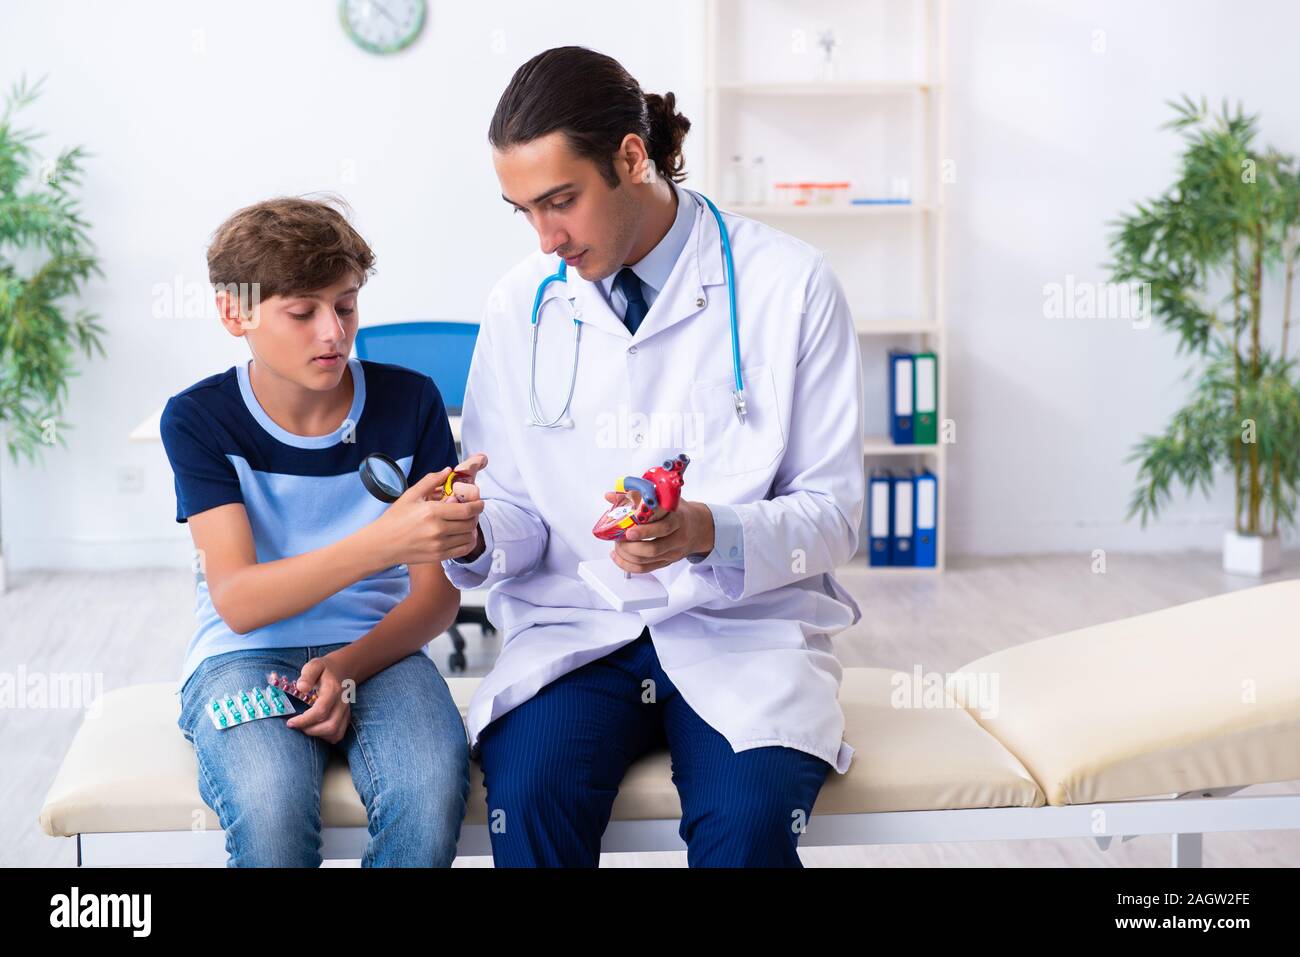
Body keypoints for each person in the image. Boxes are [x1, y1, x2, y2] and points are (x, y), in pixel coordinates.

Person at [442, 47, 866, 867]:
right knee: (526, 799)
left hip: (743, 629)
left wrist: (707, 530)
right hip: (578, 626)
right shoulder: (518, 305)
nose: (546, 237)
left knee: (748, 827)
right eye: (523, 209)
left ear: (632, 158)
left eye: (561, 200)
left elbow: (835, 517)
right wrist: (471, 534)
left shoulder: (790, 286)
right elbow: (518, 515)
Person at [160, 197, 480, 866]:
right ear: (234, 313)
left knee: (428, 792)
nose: (333, 332)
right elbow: (240, 602)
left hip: (379, 649)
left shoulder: (409, 400)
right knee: (271, 811)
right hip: (240, 657)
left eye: (346, 305)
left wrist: (344, 666)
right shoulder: (197, 418)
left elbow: (436, 599)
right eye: (302, 313)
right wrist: (386, 541)